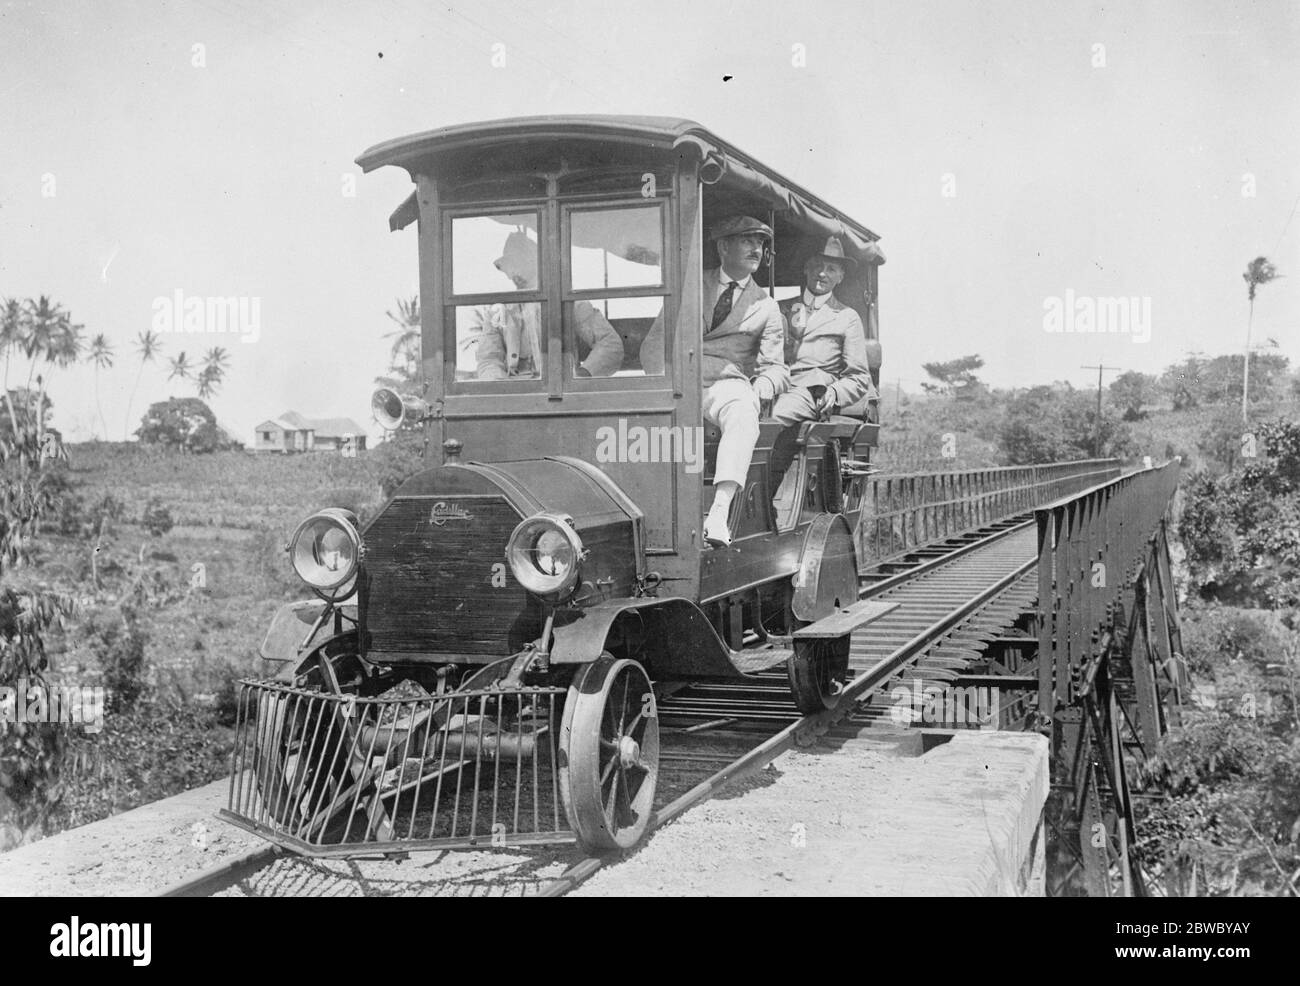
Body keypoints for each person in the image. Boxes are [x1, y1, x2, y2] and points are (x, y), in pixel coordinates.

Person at [640, 215, 788, 546]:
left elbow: (776, 367)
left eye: (761, 243)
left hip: (725, 384)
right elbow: (653, 346)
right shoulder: (690, 286)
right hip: (678, 379)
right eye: (747, 241)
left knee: (742, 411)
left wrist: (759, 388)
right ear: (723, 246)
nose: (757, 249)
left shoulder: (767, 306)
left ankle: (719, 512)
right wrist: (660, 383)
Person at [473, 231, 624, 380]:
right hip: (517, 396)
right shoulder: (499, 312)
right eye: (510, 266)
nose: (513, 273)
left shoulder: (570, 303)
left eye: (520, 262)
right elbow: (488, 359)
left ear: (537, 263)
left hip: (562, 393)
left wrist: (582, 375)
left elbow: (610, 344)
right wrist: (502, 389)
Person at [772, 236, 876, 425]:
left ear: (840, 276)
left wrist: (835, 392)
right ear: (806, 268)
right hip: (773, 384)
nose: (822, 273)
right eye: (817, 266)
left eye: (831, 269)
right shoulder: (780, 308)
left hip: (813, 392)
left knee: (771, 418)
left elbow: (858, 378)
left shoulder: (847, 317)